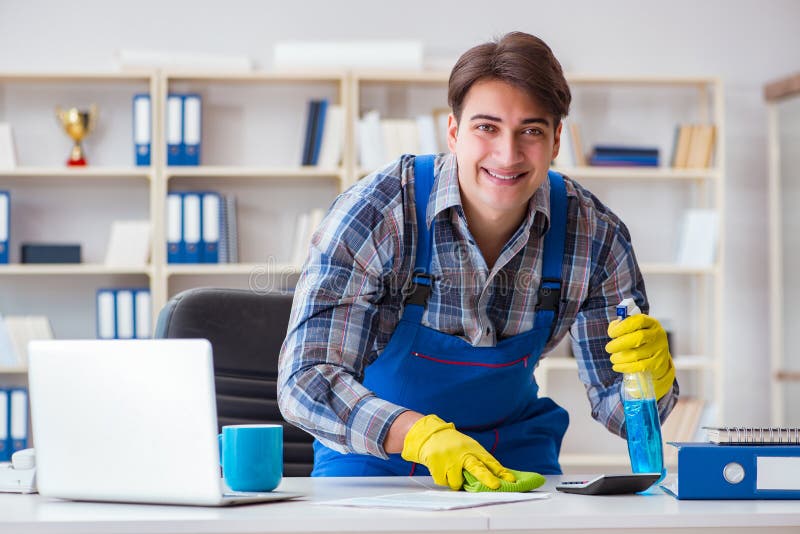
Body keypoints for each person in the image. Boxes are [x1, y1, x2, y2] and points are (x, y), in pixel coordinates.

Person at [278, 31, 678, 491]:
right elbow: (304, 382)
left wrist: (650, 381)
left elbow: (622, 414)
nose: (507, 155)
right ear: (453, 132)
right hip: (376, 459)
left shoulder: (594, 237)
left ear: (556, 141)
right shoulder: (378, 213)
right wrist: (420, 436)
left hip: (513, 458)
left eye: (530, 131)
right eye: (486, 127)